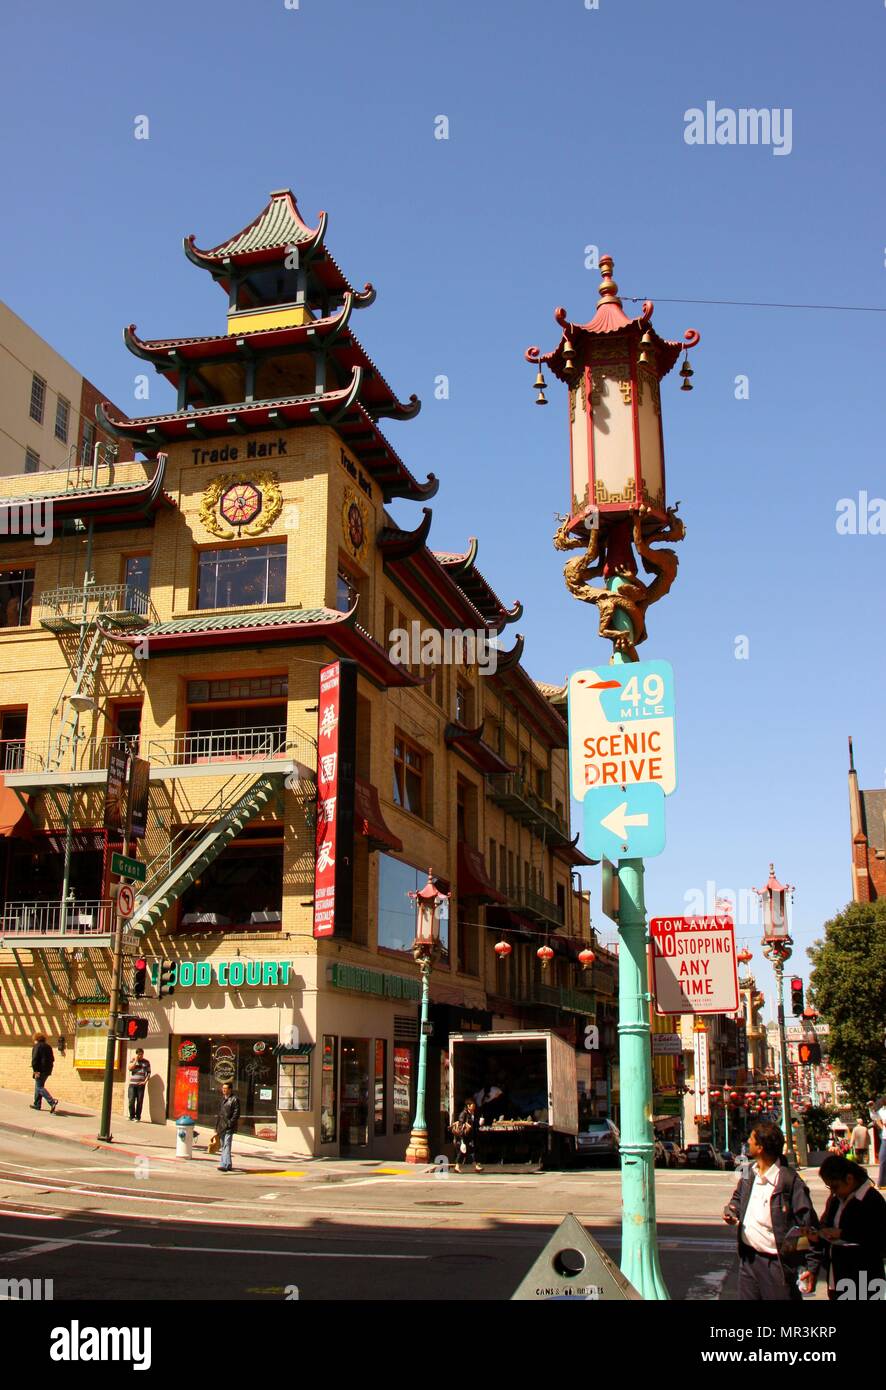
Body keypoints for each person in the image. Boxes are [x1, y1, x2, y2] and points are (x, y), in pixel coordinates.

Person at [722, 1120, 820, 1300]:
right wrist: (732, 1210)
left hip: (777, 1265)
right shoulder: (748, 1172)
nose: (748, 1142)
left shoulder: (790, 1181)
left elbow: (808, 1226)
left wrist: (811, 1267)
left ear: (760, 1147)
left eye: (751, 1139)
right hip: (749, 1259)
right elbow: (738, 1197)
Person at [810, 1155, 886, 1300]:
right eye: (829, 1187)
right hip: (837, 1278)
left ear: (849, 1179)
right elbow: (826, 1226)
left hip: (865, 1280)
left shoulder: (871, 1200)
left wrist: (843, 1234)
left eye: (835, 1186)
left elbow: (879, 1240)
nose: (832, 1191)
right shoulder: (835, 1201)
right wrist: (818, 1236)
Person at [452, 1097, 483, 1174]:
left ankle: (475, 1166)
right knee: (462, 1151)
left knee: (471, 1151)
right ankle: (458, 1166)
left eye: (474, 1104)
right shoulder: (464, 1114)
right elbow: (460, 1124)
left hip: (470, 1136)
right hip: (463, 1136)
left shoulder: (473, 1114)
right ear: (468, 1106)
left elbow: (475, 1124)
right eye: (472, 1104)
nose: (474, 1106)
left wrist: (480, 1123)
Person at [215, 1082, 240, 1172]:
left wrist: (230, 1123)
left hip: (229, 1126)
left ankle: (223, 1164)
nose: (223, 1090)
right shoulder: (223, 1099)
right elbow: (220, 1114)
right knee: (223, 1145)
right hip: (221, 1126)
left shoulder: (234, 1099)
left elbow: (236, 1113)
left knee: (226, 1145)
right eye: (223, 1088)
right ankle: (228, 1164)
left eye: (225, 1088)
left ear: (230, 1089)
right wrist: (217, 1127)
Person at [30, 1034, 58, 1113]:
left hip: (39, 1070)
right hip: (47, 1070)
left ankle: (52, 1101)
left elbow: (34, 1059)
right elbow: (52, 1059)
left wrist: (35, 1070)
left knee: (39, 1087)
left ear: (36, 1039)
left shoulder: (37, 1046)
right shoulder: (48, 1047)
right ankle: (37, 1104)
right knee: (38, 1086)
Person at [127, 1048, 151, 1121]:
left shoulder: (146, 1062)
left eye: (141, 1054)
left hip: (141, 1084)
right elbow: (130, 1068)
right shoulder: (133, 1060)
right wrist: (135, 1061)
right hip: (132, 1084)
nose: (140, 1056)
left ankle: (137, 1117)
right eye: (139, 1054)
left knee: (139, 1101)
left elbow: (149, 1072)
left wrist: (145, 1082)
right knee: (131, 1100)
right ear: (136, 1054)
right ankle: (131, 1116)